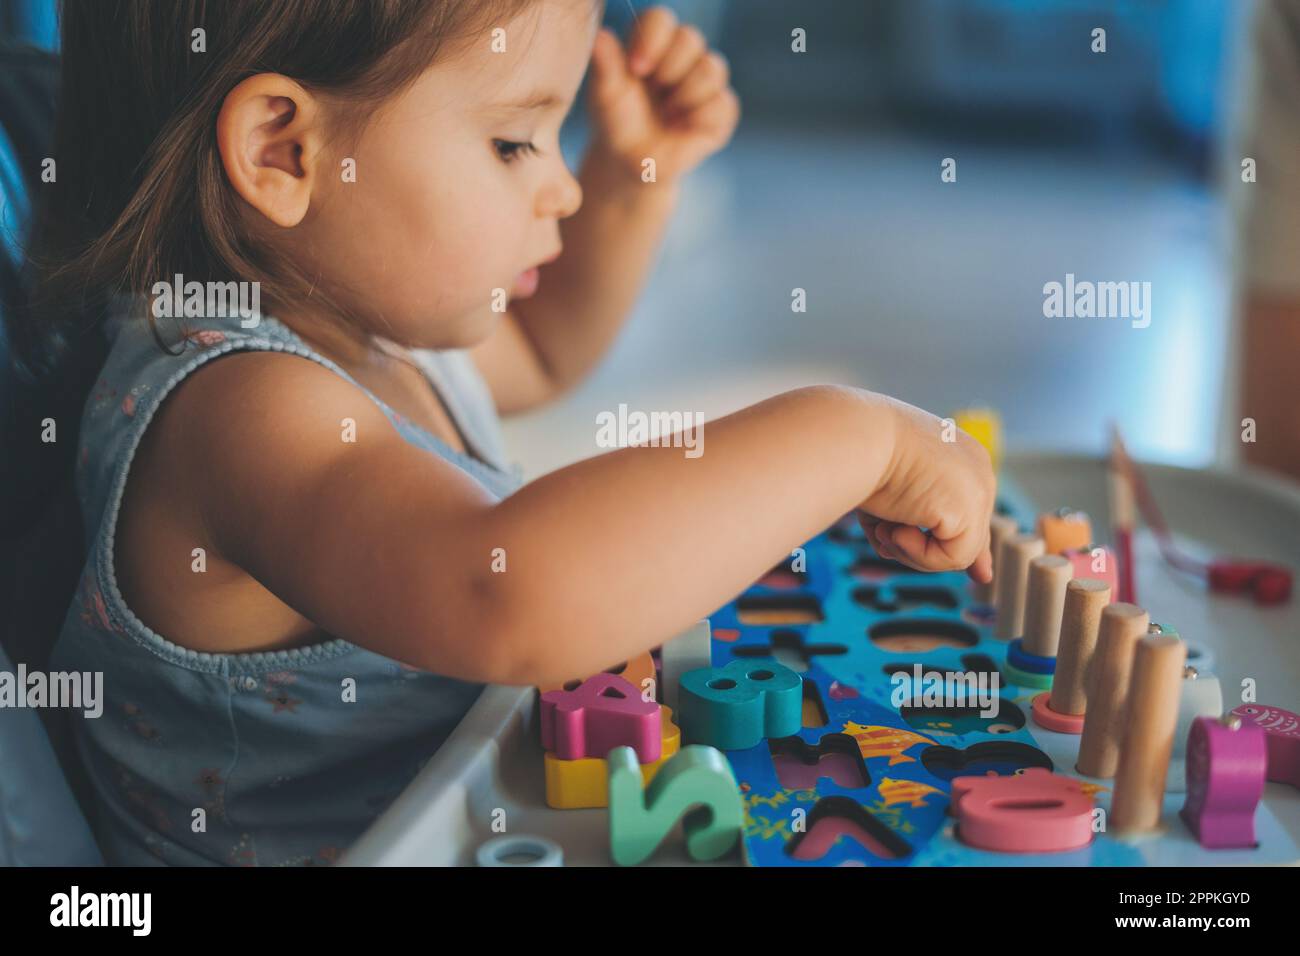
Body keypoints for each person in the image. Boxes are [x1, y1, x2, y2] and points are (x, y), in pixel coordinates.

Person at [21, 0, 994, 865]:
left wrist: (632, 178)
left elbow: (542, 348)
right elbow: (506, 587)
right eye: (515, 142)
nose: (558, 186)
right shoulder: (235, 409)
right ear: (285, 152)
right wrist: (853, 434)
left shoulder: (358, 320)